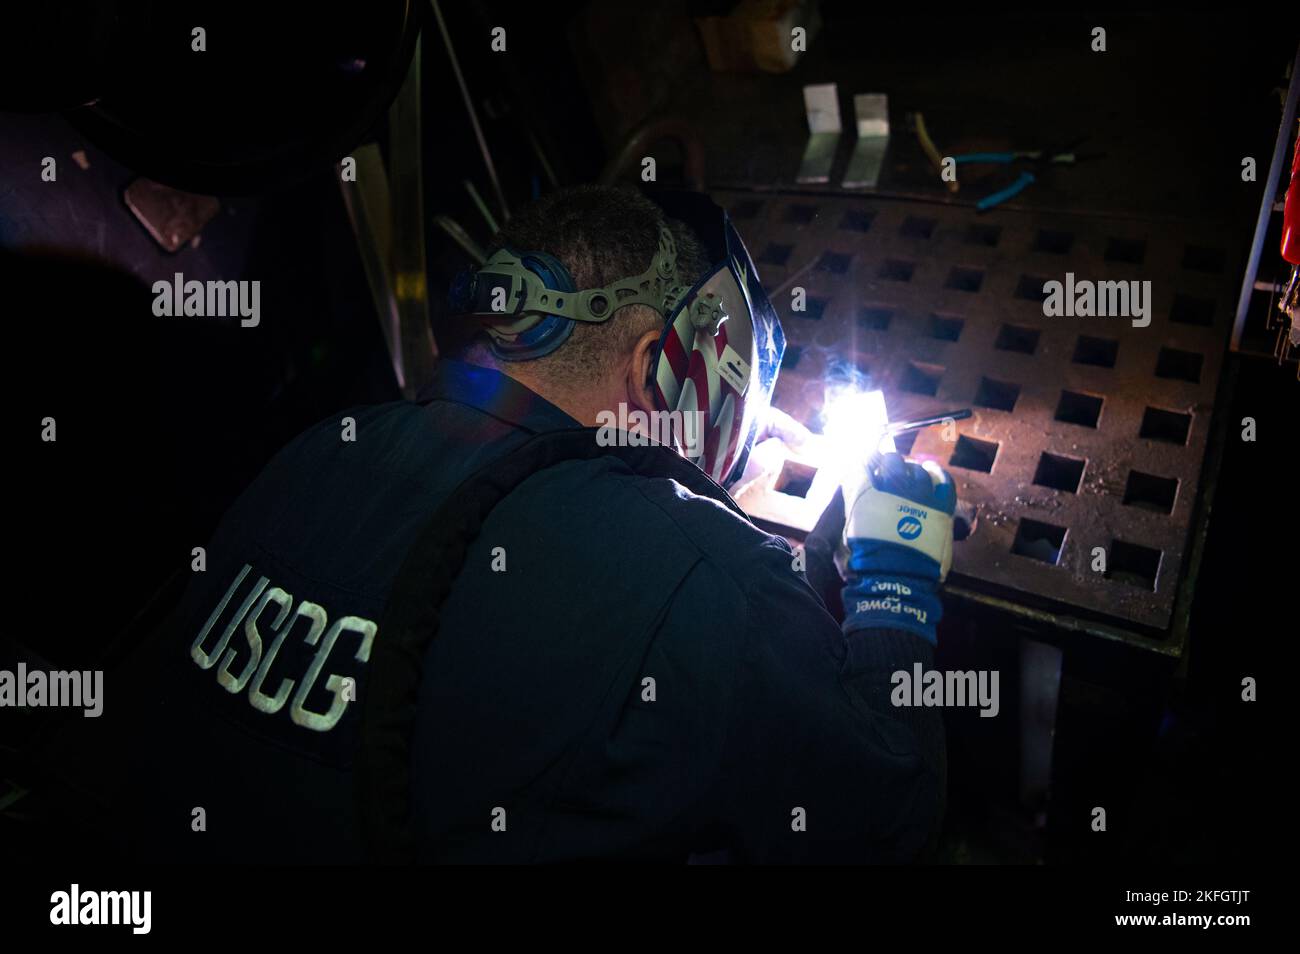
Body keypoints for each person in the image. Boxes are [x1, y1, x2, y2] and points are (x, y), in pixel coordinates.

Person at [45, 184, 955, 863]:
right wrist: (894, 579)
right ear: (659, 366)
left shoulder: (321, 449)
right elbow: (887, 815)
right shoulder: (705, 581)